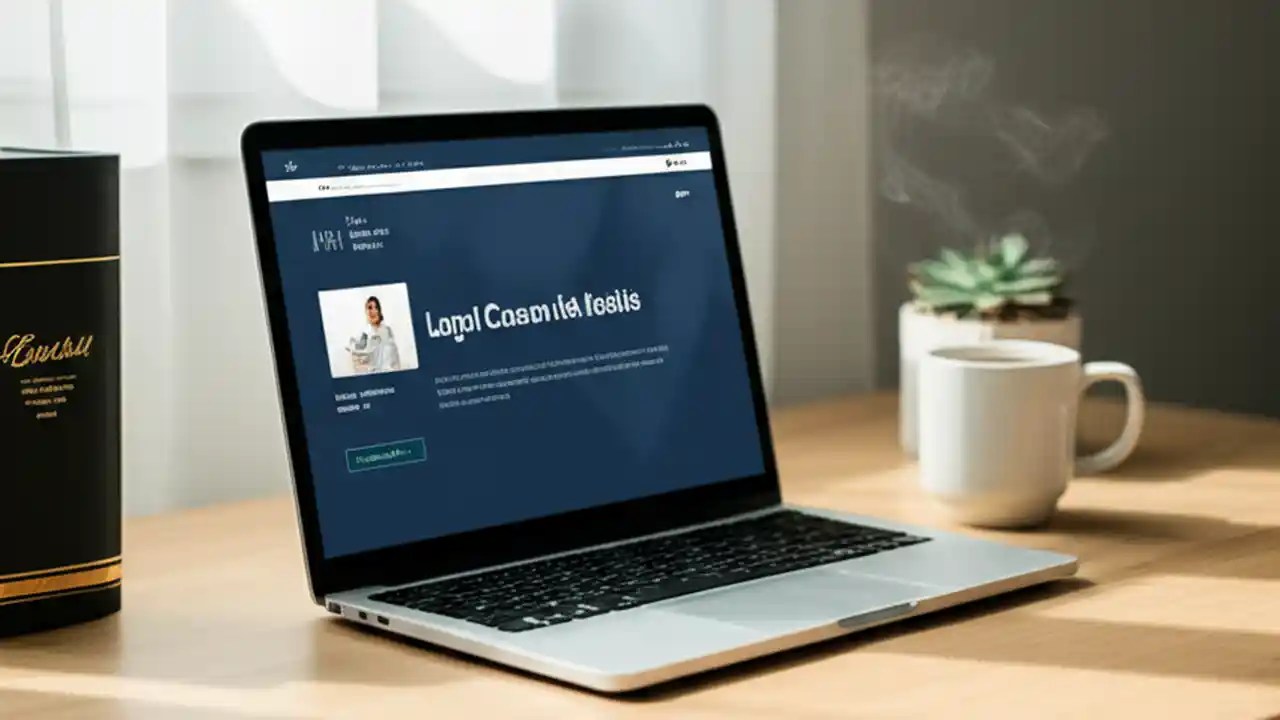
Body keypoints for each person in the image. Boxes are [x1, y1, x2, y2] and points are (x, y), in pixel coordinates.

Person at [346, 296, 401, 373]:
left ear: (379, 310)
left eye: (376, 308)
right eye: (370, 308)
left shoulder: (387, 330)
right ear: (366, 312)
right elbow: (357, 359)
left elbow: (395, 357)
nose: (373, 311)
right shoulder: (363, 334)